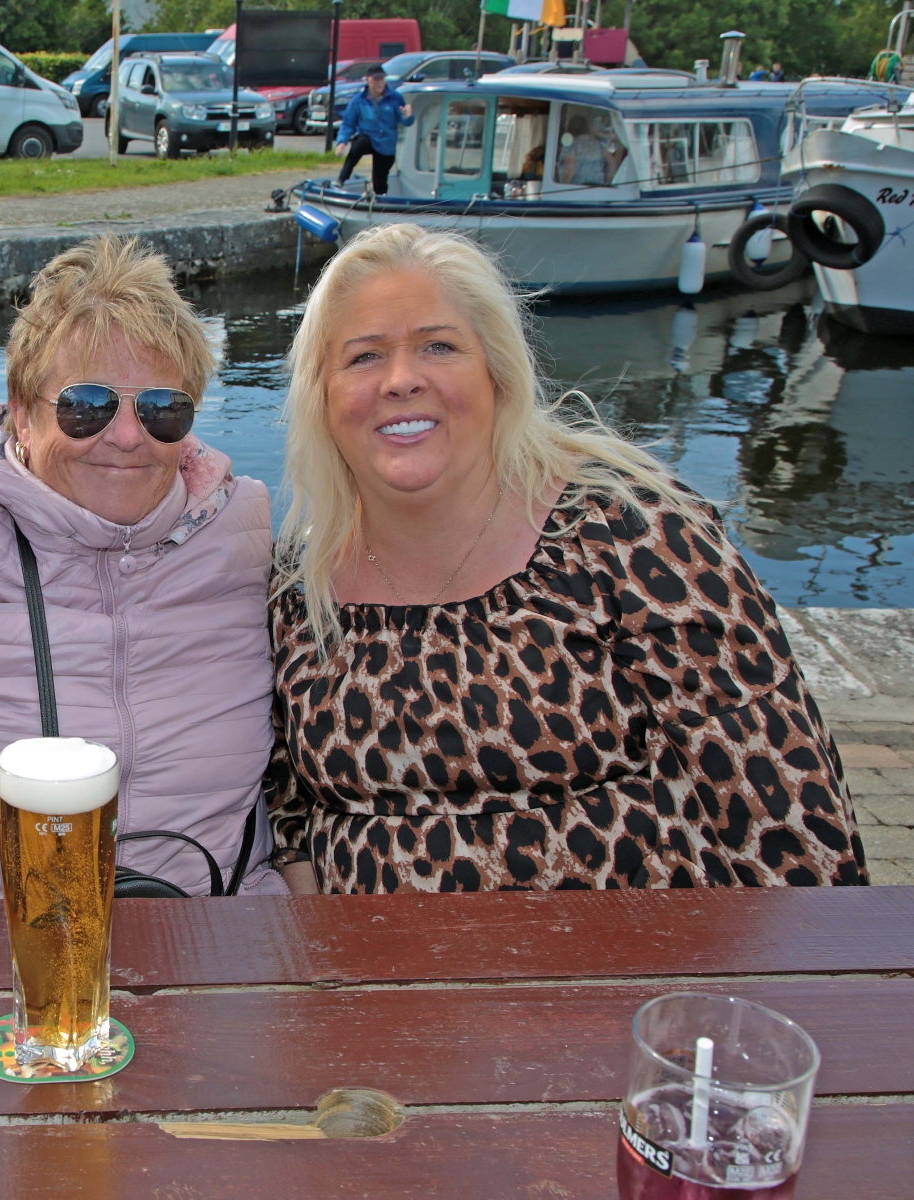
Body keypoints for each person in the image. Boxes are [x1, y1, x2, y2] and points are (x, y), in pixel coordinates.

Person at [263, 224, 868, 895]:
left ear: (497, 371)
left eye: (439, 345)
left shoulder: (633, 533)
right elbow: (290, 802)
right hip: (381, 986)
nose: (402, 379)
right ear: (322, 396)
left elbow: (790, 818)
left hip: (632, 982)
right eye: (365, 357)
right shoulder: (301, 582)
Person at [0, 236, 288, 900]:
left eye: (161, 409)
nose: (129, 436)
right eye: (88, 405)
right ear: (21, 415)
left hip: (218, 937)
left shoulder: (241, 533)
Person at [335, 65, 414, 196]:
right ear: (368, 80)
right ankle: (342, 178)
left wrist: (408, 117)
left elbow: (406, 121)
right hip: (368, 138)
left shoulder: (395, 97)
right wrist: (341, 142)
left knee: (380, 182)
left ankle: (381, 206)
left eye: (382, 79)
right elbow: (348, 124)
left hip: (386, 144)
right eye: (376, 79)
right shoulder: (358, 100)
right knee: (359, 144)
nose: (379, 83)